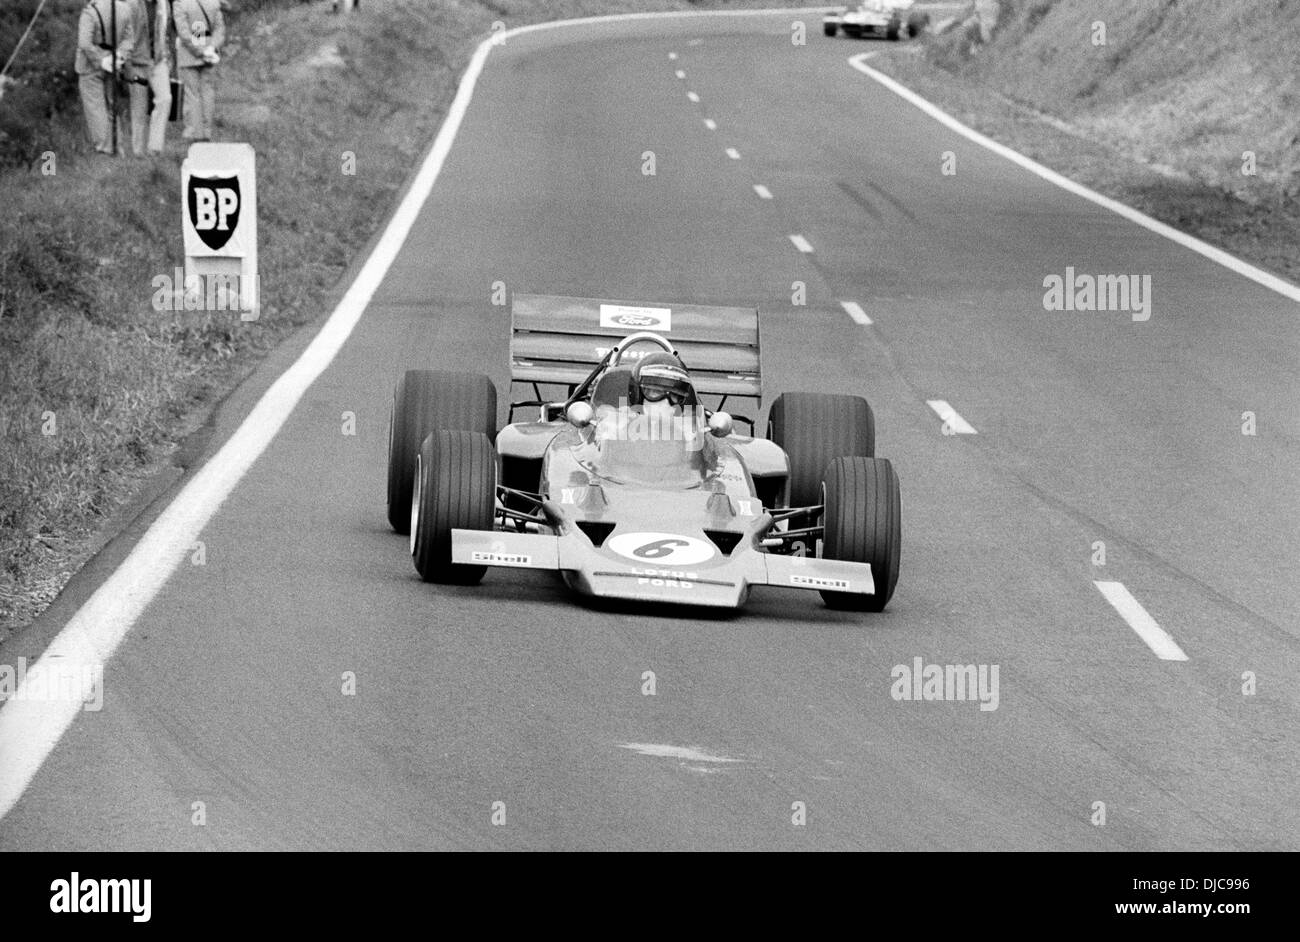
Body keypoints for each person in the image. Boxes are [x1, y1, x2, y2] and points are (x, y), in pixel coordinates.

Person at [76, 0, 135, 154]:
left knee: (96, 108)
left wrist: (101, 60)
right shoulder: (124, 9)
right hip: (113, 63)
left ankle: (105, 149)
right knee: (110, 107)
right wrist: (119, 56)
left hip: (90, 66)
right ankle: (118, 148)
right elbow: (129, 39)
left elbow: (84, 43)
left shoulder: (90, 12)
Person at [172, 0, 224, 142]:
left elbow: (184, 33)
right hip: (210, 54)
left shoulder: (181, 4)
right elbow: (219, 30)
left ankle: (194, 131)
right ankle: (207, 131)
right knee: (207, 92)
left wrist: (199, 51)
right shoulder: (213, 3)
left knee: (192, 94)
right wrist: (211, 48)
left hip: (189, 56)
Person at [126, 0, 172, 156]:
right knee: (139, 107)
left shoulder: (164, 4)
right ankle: (139, 152)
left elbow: (170, 29)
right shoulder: (132, 5)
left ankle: (155, 148)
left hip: (159, 60)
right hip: (138, 61)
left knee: (165, 99)